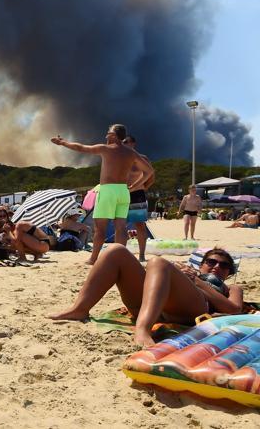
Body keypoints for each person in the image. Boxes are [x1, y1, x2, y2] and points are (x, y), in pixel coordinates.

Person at [49, 246, 243, 347]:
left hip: (192, 310)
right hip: (153, 304)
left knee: (158, 262)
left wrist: (197, 282)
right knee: (117, 251)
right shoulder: (188, 271)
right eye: (211, 262)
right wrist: (177, 271)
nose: (217, 267)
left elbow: (234, 309)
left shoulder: (231, 287)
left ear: (229, 272)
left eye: (224, 266)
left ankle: (143, 329)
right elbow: (153, 275)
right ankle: (80, 308)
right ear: (202, 264)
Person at [51, 124, 154, 264]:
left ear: (113, 135)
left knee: (100, 228)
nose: (106, 135)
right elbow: (149, 171)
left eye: (108, 132)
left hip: (108, 190)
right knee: (121, 227)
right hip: (123, 191)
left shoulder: (106, 149)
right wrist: (135, 185)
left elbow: (81, 148)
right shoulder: (131, 153)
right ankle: (119, 258)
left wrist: (63, 143)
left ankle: (93, 259)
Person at [123, 135, 155, 262]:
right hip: (122, 194)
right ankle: (122, 253)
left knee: (140, 226)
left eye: (126, 142)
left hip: (137, 194)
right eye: (122, 142)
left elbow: (151, 175)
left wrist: (144, 186)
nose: (123, 144)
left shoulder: (142, 158)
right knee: (120, 225)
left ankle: (142, 255)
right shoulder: (120, 158)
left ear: (133, 143)